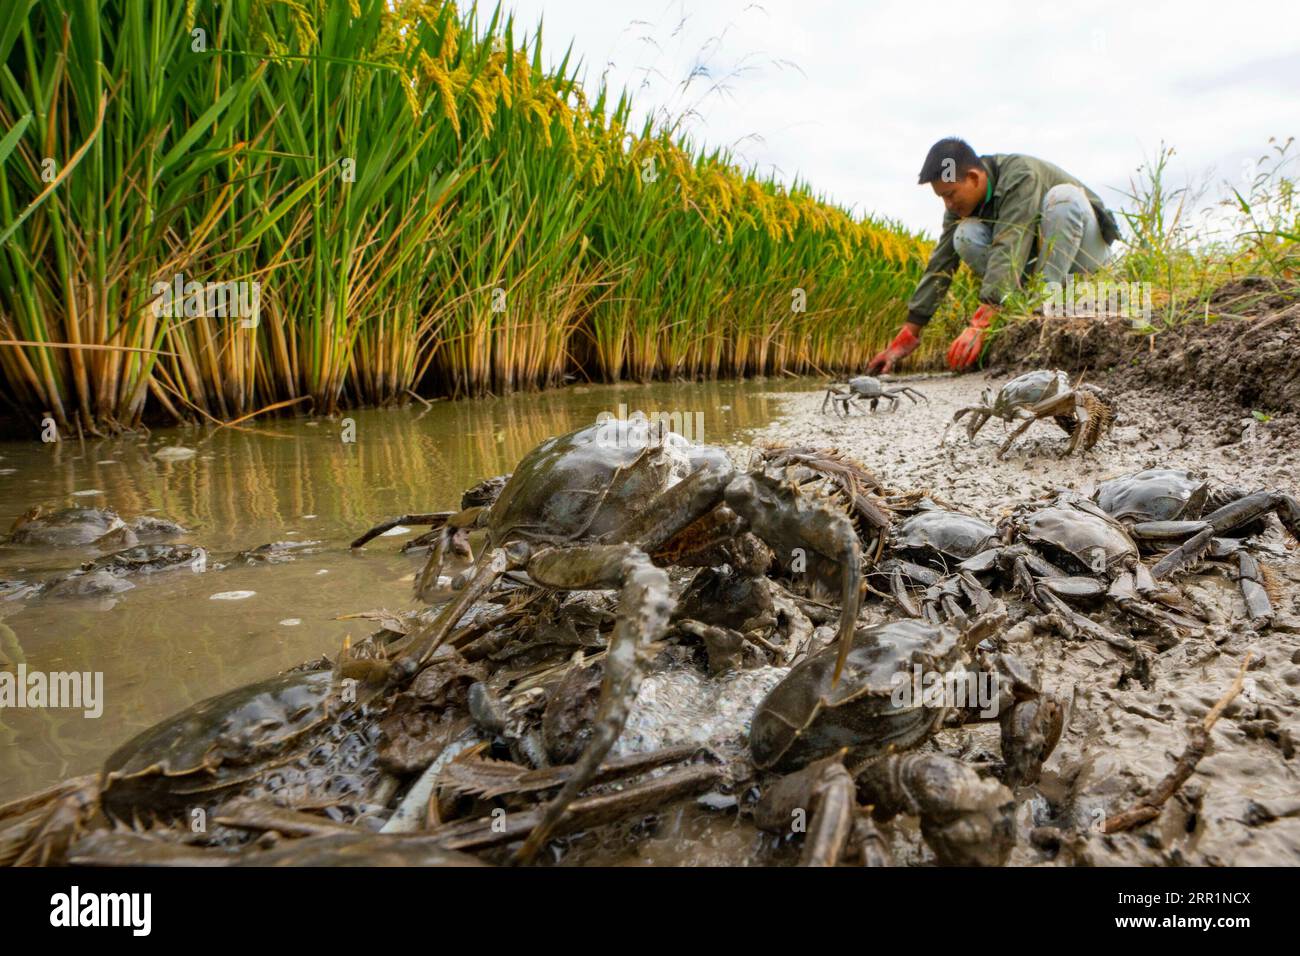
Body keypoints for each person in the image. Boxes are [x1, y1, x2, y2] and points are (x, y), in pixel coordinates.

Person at [867, 137, 1120, 374]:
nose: (948, 204)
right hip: (1037, 268)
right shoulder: (958, 208)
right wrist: (908, 335)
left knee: (1063, 197)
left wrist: (980, 323)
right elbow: (940, 264)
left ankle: (1044, 306)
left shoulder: (1020, 175)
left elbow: (1009, 241)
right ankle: (1018, 309)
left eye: (950, 194)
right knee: (963, 234)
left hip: (1086, 258)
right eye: (941, 197)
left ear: (974, 178)